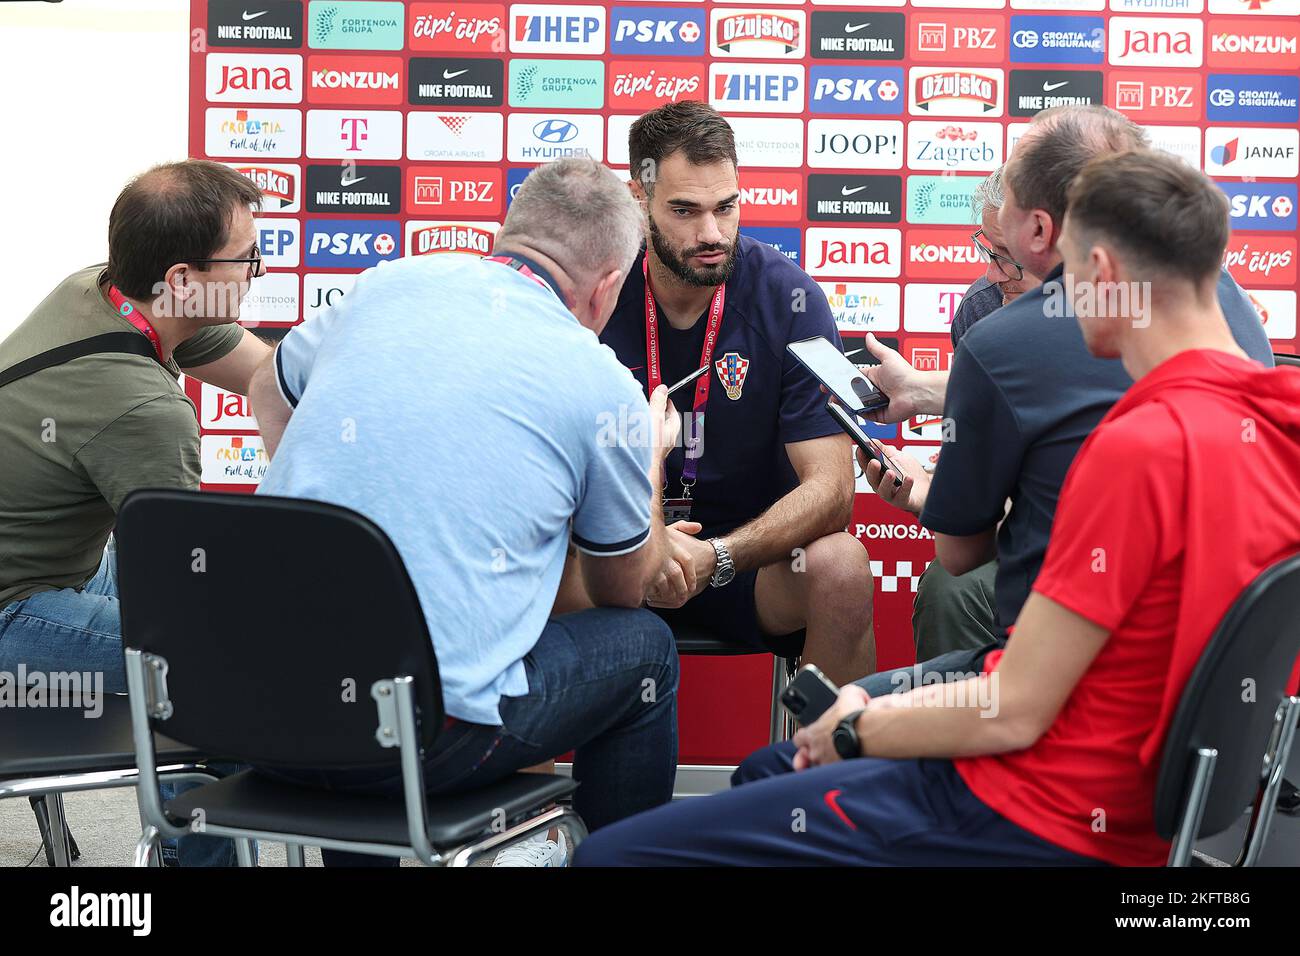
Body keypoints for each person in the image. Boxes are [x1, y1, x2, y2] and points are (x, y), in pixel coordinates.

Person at [574, 148, 1300, 867]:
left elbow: (1013, 706)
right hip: (1166, 813)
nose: (1056, 304)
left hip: (1034, 809)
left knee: (616, 853)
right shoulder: (1278, 423)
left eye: (1066, 280)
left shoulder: (1137, 447)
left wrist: (862, 723)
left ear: (1104, 277)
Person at [246, 157, 681, 867]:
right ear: (607, 287)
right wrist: (652, 461)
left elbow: (268, 381)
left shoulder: (387, 285)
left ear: (506, 233)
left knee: (375, 673)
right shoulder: (601, 381)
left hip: (251, 710)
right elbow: (622, 590)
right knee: (646, 651)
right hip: (420, 741)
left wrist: (326, 514)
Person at [850, 105, 1272, 698]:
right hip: (1212, 695)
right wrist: (929, 395)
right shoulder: (1223, 304)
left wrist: (857, 722)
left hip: (1083, 700)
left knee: (807, 747)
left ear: (1048, 233)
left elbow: (1022, 698)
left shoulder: (1064, 385)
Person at [0, 160, 272, 867]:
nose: (256, 272)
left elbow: (265, 377)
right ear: (182, 279)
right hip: (11, 609)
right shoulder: (144, 410)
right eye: (246, 258)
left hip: (54, 566)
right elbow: (184, 589)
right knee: (214, 681)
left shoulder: (101, 288)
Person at [589, 101, 874, 685]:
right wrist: (635, 542)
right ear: (637, 201)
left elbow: (833, 489)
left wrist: (715, 557)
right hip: (611, 554)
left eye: (726, 207)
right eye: (685, 211)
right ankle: (529, 774)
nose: (712, 234)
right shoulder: (595, 289)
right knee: (528, 562)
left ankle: (828, 776)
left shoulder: (788, 298)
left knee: (841, 565)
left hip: (741, 564)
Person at [880, 165, 1042, 665]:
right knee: (952, 589)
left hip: (1126, 553)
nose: (992, 273)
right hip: (1030, 533)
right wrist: (939, 499)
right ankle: (966, 737)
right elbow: (967, 540)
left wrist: (947, 504)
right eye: (986, 249)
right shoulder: (983, 308)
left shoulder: (1149, 314)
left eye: (1008, 258)